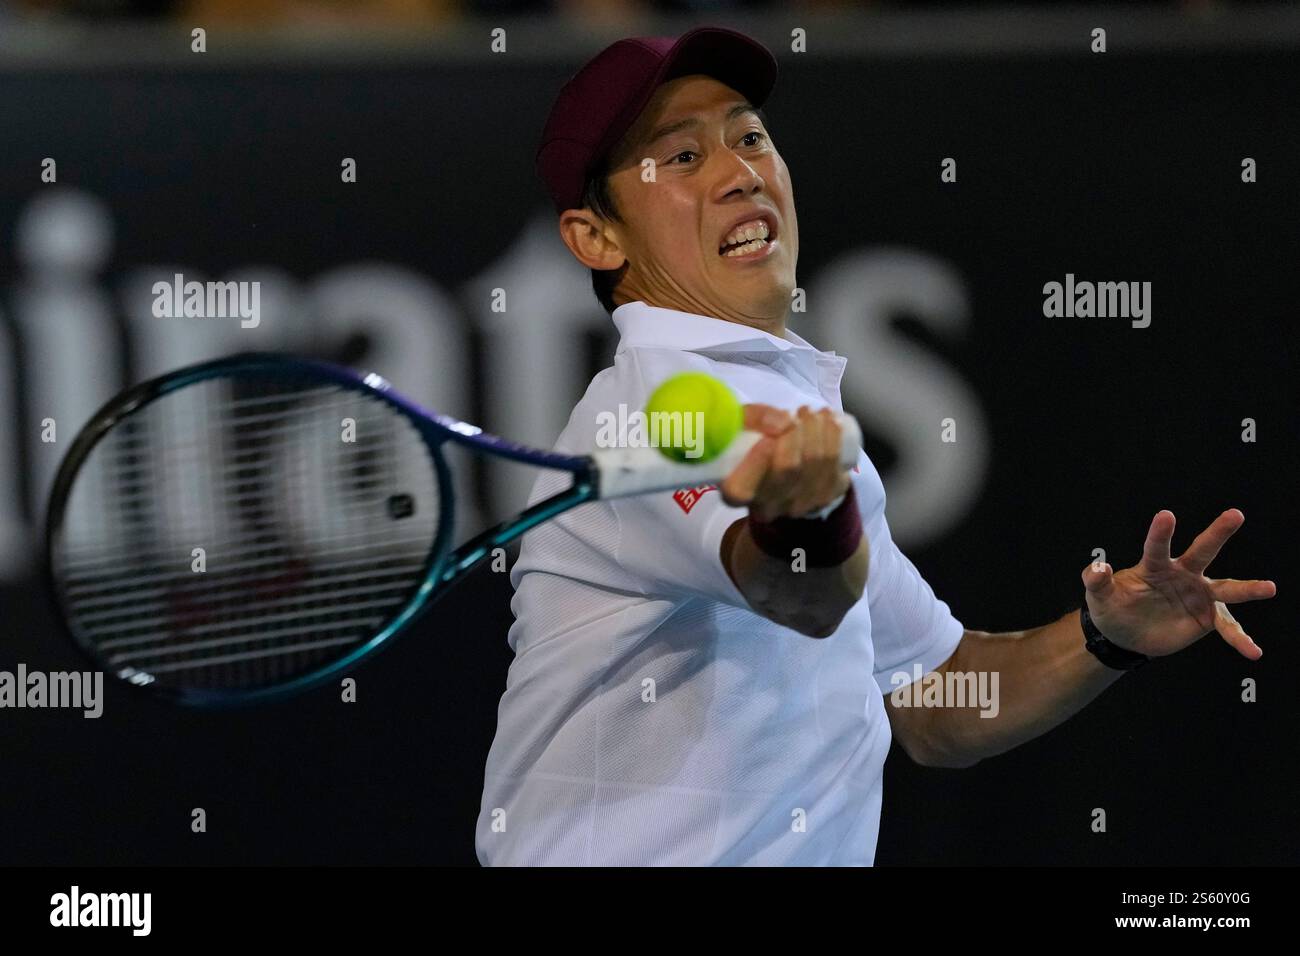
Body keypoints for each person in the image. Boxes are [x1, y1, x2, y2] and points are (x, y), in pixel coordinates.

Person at [475, 26, 1276, 865]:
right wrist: (810, 520)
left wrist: (1103, 636)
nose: (739, 171)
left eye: (749, 137)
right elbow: (803, 594)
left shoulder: (769, 396)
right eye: (679, 158)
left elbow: (933, 698)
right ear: (597, 238)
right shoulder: (659, 409)